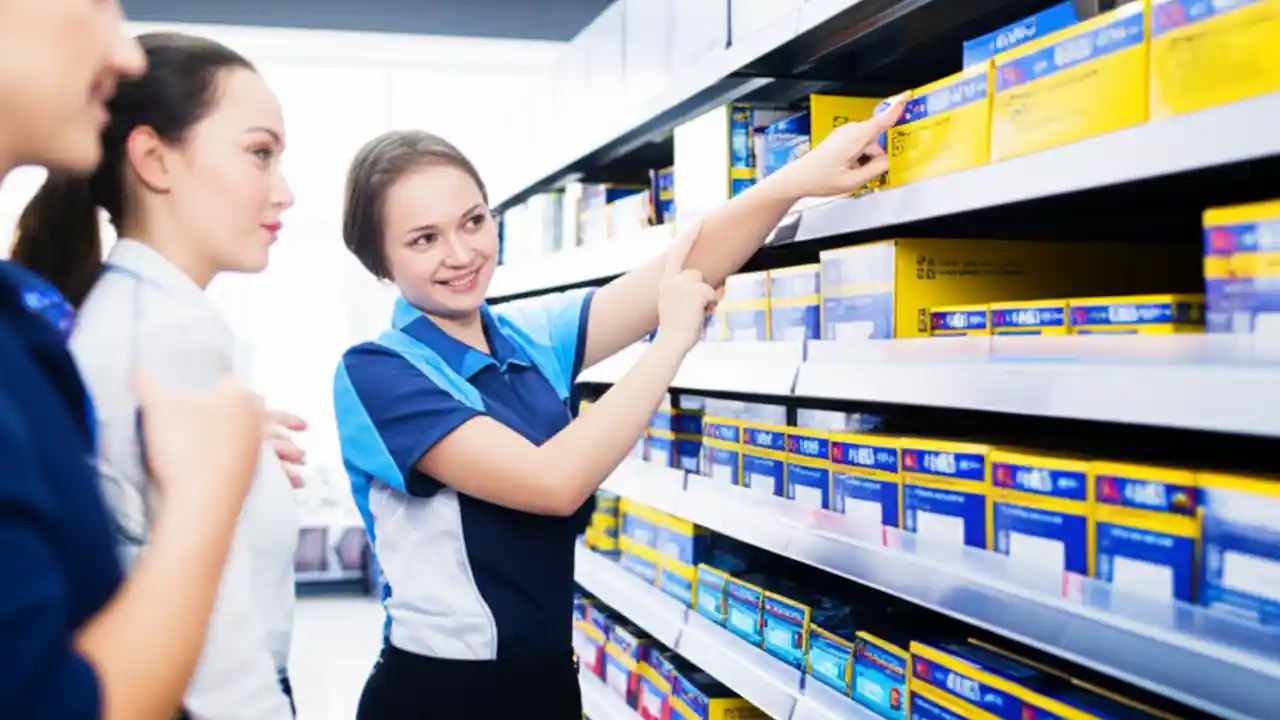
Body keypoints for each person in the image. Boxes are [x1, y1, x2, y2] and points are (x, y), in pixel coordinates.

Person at [334, 101, 903, 718]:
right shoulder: (376, 372)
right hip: (440, 698)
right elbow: (553, 482)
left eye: (473, 221)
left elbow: (683, 267)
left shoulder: (528, 338)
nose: (461, 252)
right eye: (424, 239)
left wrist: (798, 180)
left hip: (549, 683)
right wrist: (672, 341)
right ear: (379, 262)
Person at [14, 32, 301, 720]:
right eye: (259, 154)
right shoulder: (167, 339)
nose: (284, 192)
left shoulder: (142, 315)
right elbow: (221, 667)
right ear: (153, 159)